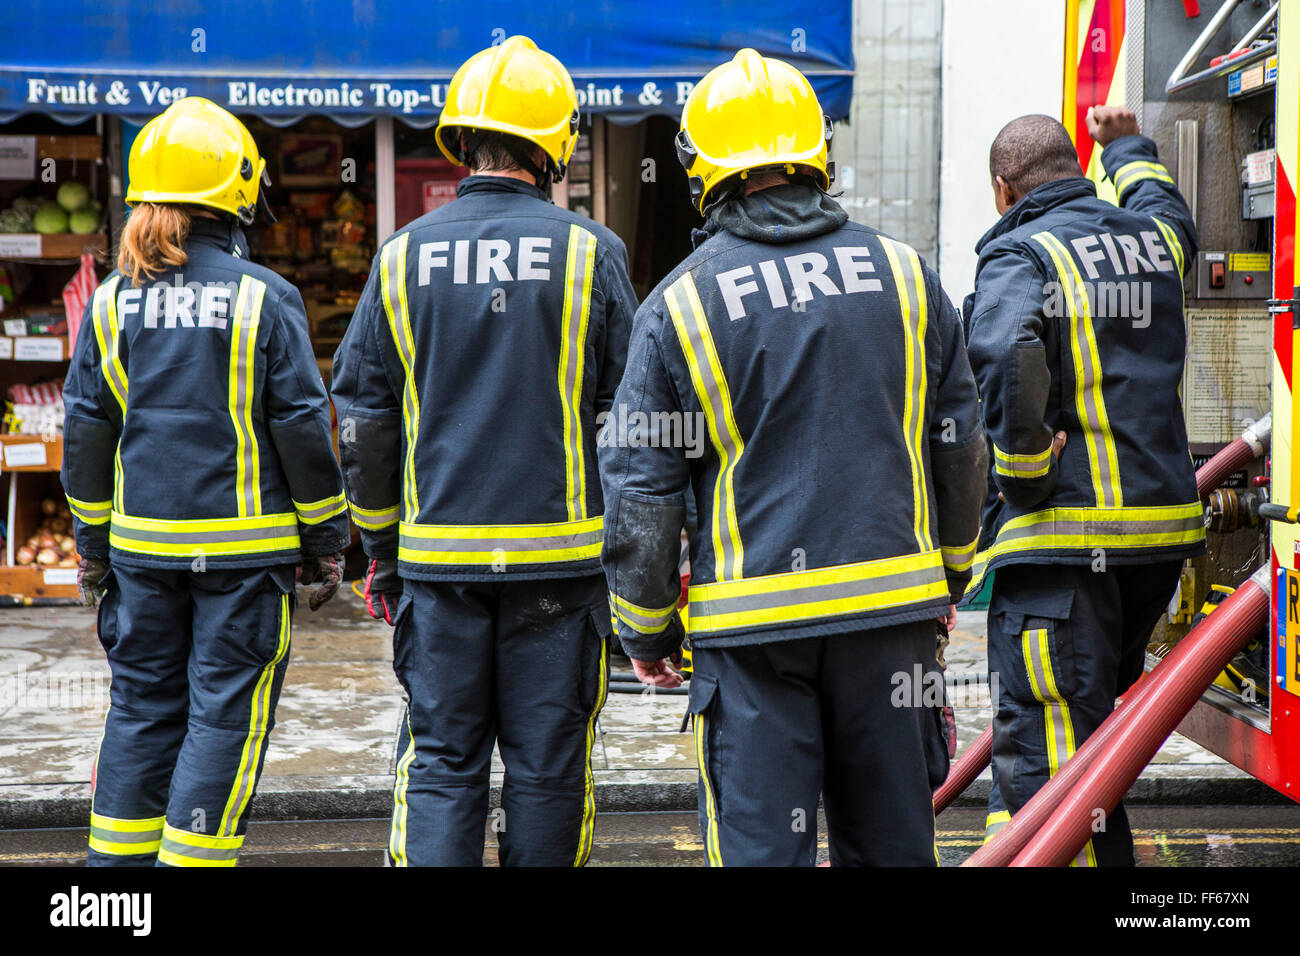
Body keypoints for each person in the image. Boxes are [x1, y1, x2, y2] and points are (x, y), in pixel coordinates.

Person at [599, 49, 987, 866]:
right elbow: (959, 446)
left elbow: (643, 486)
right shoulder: (909, 277)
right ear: (817, 154)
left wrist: (645, 628)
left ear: (704, 169)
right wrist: (950, 577)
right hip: (892, 625)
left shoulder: (680, 304)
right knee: (891, 848)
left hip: (752, 639)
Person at [331, 35, 637, 867]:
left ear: (460, 142)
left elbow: (361, 419)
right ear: (556, 146)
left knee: (442, 763)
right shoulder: (592, 253)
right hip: (564, 576)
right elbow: (634, 421)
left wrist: (383, 556)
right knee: (547, 769)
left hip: (439, 577)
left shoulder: (402, 258)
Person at [63, 96, 349, 867]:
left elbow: (87, 431)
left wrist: (94, 549)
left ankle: (115, 892)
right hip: (244, 565)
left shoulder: (112, 301)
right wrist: (326, 543)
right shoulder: (264, 296)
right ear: (242, 191)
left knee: (140, 714)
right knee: (223, 720)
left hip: (141, 557)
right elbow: (301, 429)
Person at [963, 107, 1205, 865]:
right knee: (1095, 751)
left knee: (1055, 773)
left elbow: (1004, 349)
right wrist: (1127, 145)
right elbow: (1171, 214)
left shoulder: (1021, 256)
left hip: (1063, 553)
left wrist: (1026, 472)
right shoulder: (1152, 240)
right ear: (1079, 168)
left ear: (1005, 190)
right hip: (1155, 546)